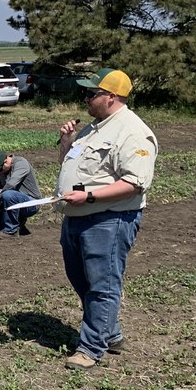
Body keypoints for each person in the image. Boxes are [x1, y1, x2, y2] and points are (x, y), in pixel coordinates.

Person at [55, 67, 157, 370]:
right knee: (81, 278)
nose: (85, 98)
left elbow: (135, 182)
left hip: (108, 219)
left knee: (102, 284)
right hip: (77, 217)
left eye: (91, 93)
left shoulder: (132, 131)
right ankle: (109, 333)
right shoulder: (94, 127)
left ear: (111, 96)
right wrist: (67, 141)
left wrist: (88, 196)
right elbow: (70, 163)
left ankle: (90, 348)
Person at [0, 150, 42, 238]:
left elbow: (11, 184)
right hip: (9, 202)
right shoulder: (2, 171)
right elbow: (0, 187)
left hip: (30, 203)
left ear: (6, 162)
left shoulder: (21, 163)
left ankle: (11, 231)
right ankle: (12, 222)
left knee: (8, 195)